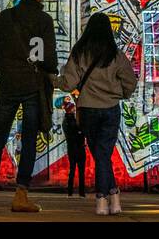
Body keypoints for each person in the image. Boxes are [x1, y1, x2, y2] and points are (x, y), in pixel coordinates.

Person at [0, 0, 57, 213]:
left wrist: (5, 70)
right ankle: (21, 194)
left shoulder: (4, 18)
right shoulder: (44, 21)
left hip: (8, 84)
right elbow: (48, 57)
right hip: (32, 84)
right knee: (29, 139)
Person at [56, 12, 138, 215]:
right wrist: (121, 94)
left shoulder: (79, 53)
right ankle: (113, 197)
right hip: (111, 110)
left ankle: (104, 199)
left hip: (88, 110)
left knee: (100, 154)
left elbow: (68, 83)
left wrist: (52, 79)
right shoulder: (115, 54)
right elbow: (130, 81)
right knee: (103, 154)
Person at [62, 99, 86, 197]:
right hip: (78, 148)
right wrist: (80, 133)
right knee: (81, 171)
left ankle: (70, 192)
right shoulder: (73, 121)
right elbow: (79, 132)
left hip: (72, 148)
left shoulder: (66, 122)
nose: (74, 110)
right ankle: (81, 192)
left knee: (72, 170)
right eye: (73, 109)